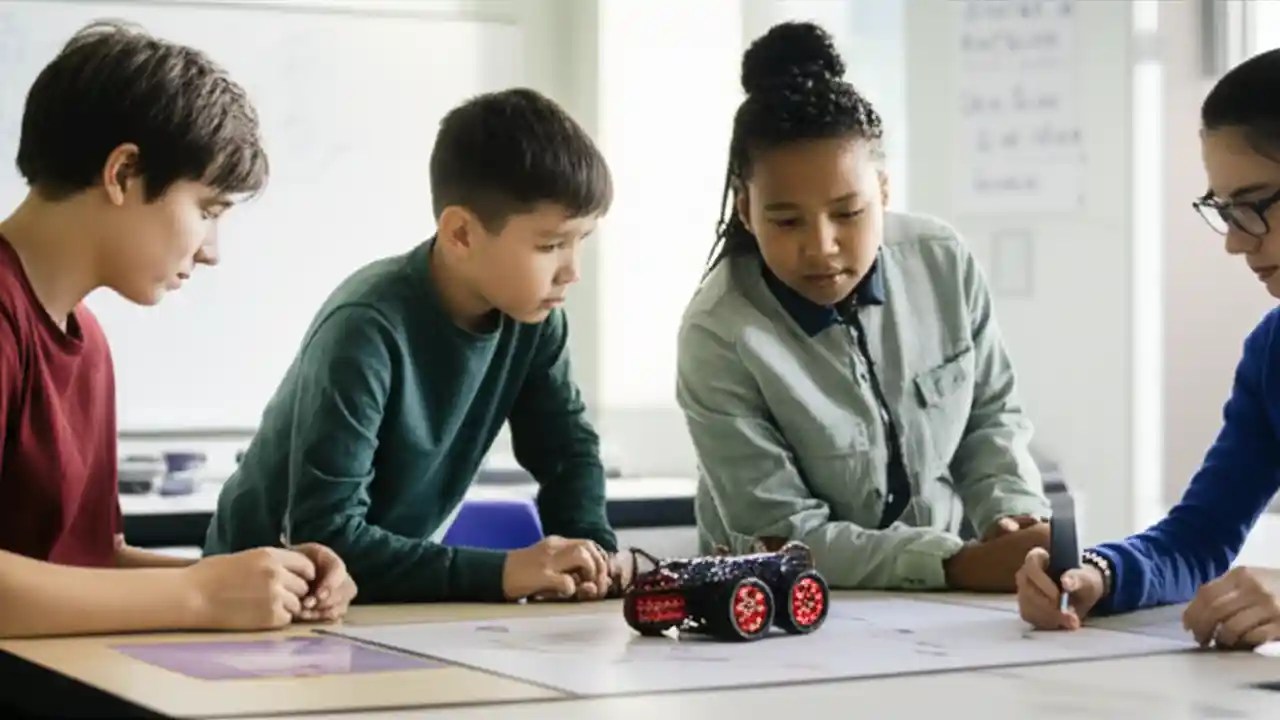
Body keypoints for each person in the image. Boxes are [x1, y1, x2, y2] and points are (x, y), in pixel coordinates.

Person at [0, 21, 354, 639]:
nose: (211, 250)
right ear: (123, 173)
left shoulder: (89, 344)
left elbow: (87, 566)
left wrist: (265, 581)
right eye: (207, 210)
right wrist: (197, 593)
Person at [204, 87, 628, 603]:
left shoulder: (534, 319)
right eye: (551, 245)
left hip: (372, 602)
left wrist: (593, 556)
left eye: (582, 240)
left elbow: (568, 455)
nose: (572, 271)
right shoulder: (366, 327)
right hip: (262, 602)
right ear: (461, 234)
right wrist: (505, 572)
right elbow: (328, 537)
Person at [676, 21, 1051, 593]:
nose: (821, 246)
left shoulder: (942, 263)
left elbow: (989, 418)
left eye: (848, 213)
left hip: (943, 609)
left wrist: (1013, 517)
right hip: (782, 615)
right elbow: (780, 536)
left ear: (883, 191)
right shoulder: (718, 333)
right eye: (787, 221)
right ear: (746, 211)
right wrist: (953, 564)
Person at [1017, 48, 1280, 649]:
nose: (1235, 243)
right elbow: (1198, 538)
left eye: (1253, 206)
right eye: (1224, 211)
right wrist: (1097, 575)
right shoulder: (1272, 354)